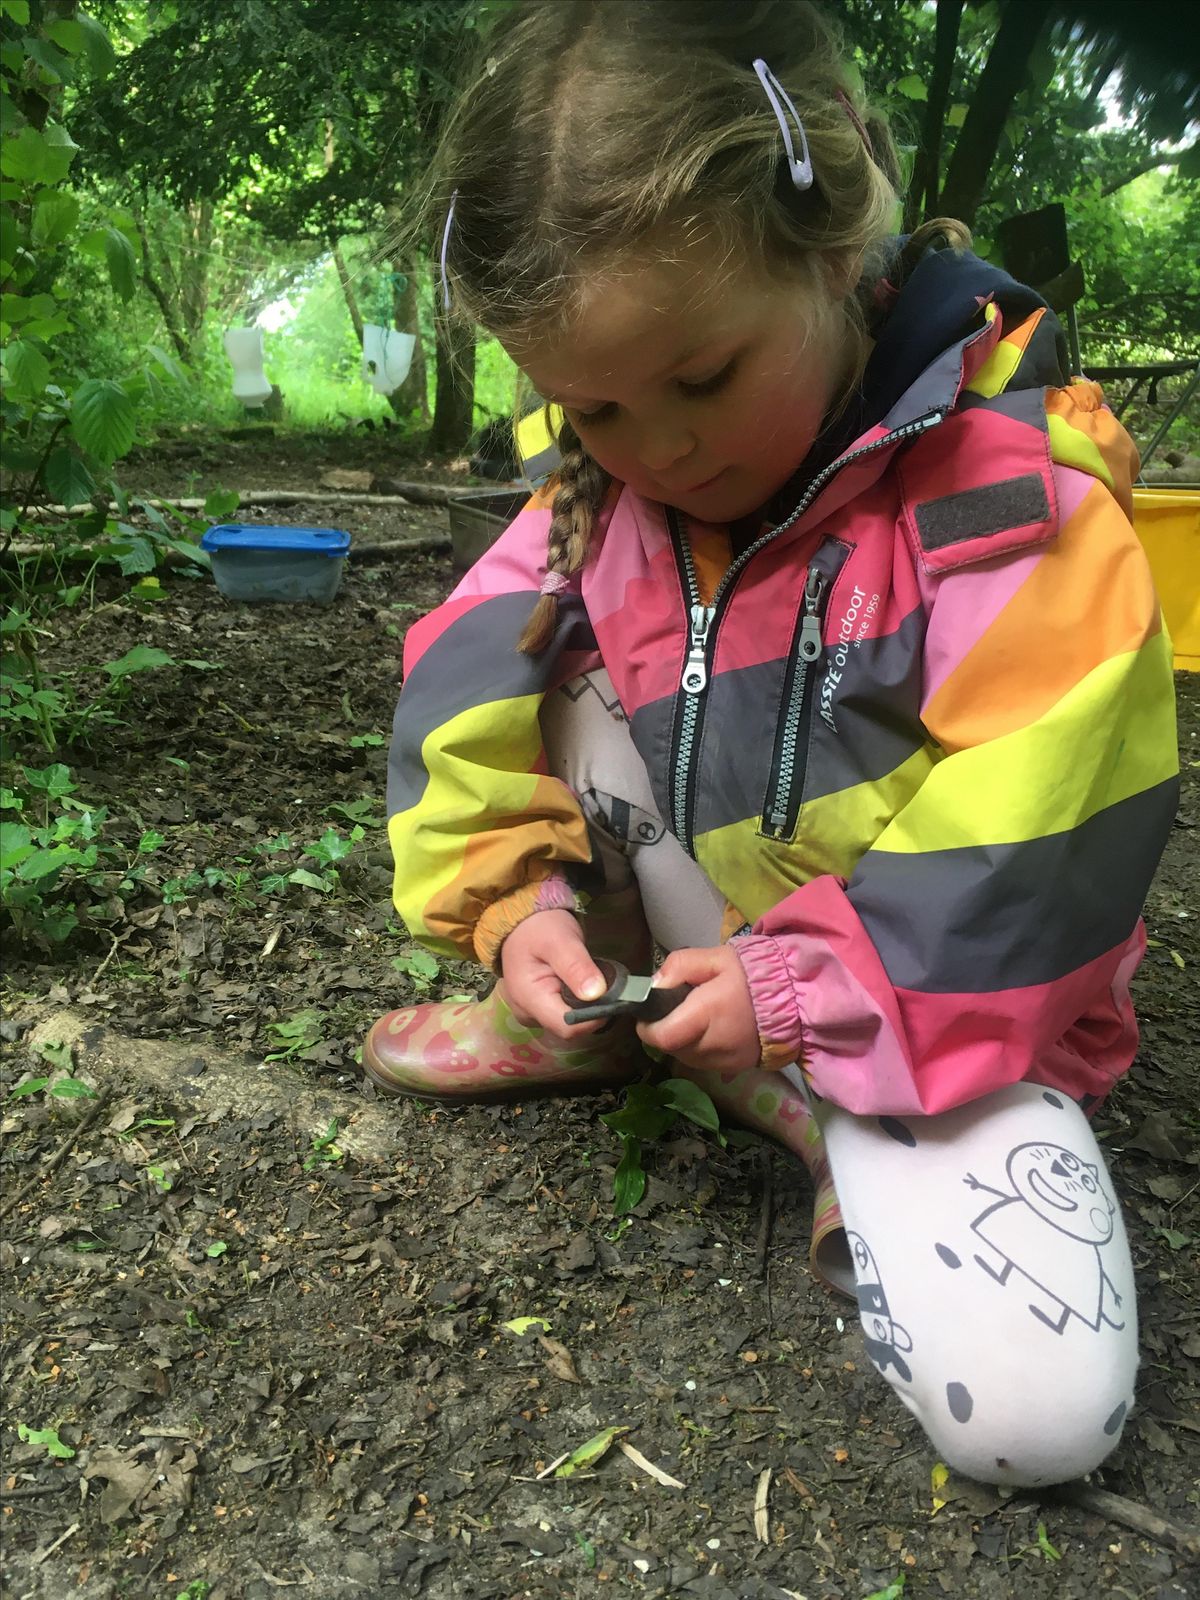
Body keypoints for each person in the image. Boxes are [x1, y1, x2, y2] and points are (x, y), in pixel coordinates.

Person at [365, 0, 1179, 1489]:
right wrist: (518, 908)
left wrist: (805, 986)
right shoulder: (599, 490)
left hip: (941, 988)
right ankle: (609, 1002)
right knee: (519, 645)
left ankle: (823, 1091)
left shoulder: (1004, 489)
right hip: (717, 926)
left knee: (1036, 1421)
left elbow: (1046, 828)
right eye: (588, 404)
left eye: (703, 377)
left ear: (832, 245)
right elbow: (458, 683)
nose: (658, 448)